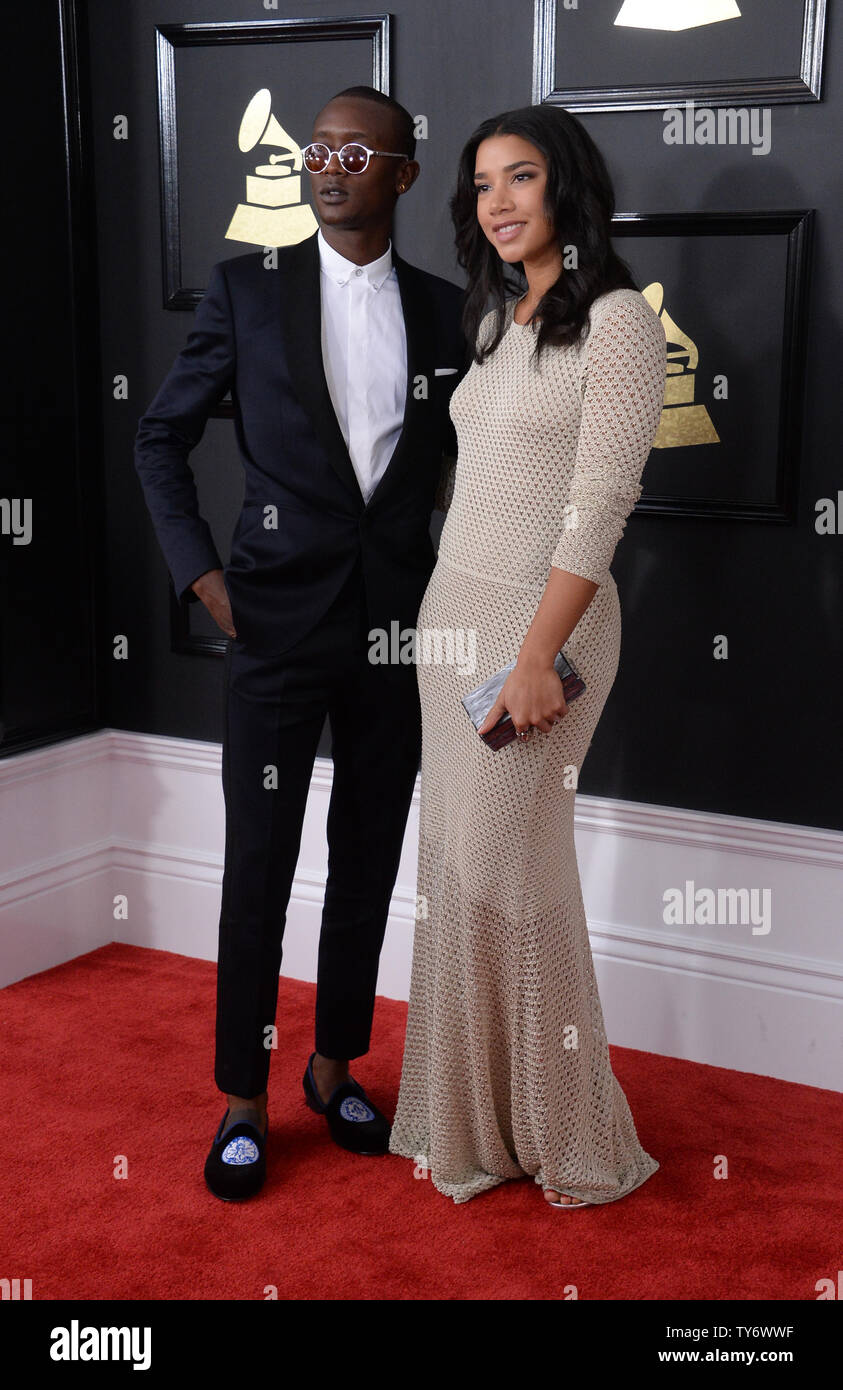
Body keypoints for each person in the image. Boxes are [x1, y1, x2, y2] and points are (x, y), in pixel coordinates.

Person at [133, 86, 466, 1200]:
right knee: (259, 867)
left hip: (393, 628)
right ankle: (242, 1097)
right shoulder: (246, 289)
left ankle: (334, 1066)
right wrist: (204, 578)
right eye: (319, 148)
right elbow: (161, 436)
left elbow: (462, 473)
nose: (329, 166)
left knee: (369, 855)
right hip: (273, 623)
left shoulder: (448, 311)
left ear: (403, 175)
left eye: (357, 152)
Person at [388, 105, 667, 1208]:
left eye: (522, 179)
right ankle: (480, 1123)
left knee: (518, 874)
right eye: (483, 185)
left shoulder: (618, 323)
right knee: (457, 872)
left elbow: (601, 504)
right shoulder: (503, 320)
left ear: (569, 190)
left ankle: (567, 1129)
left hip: (542, 631)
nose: (499, 204)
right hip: (452, 614)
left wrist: (539, 655)